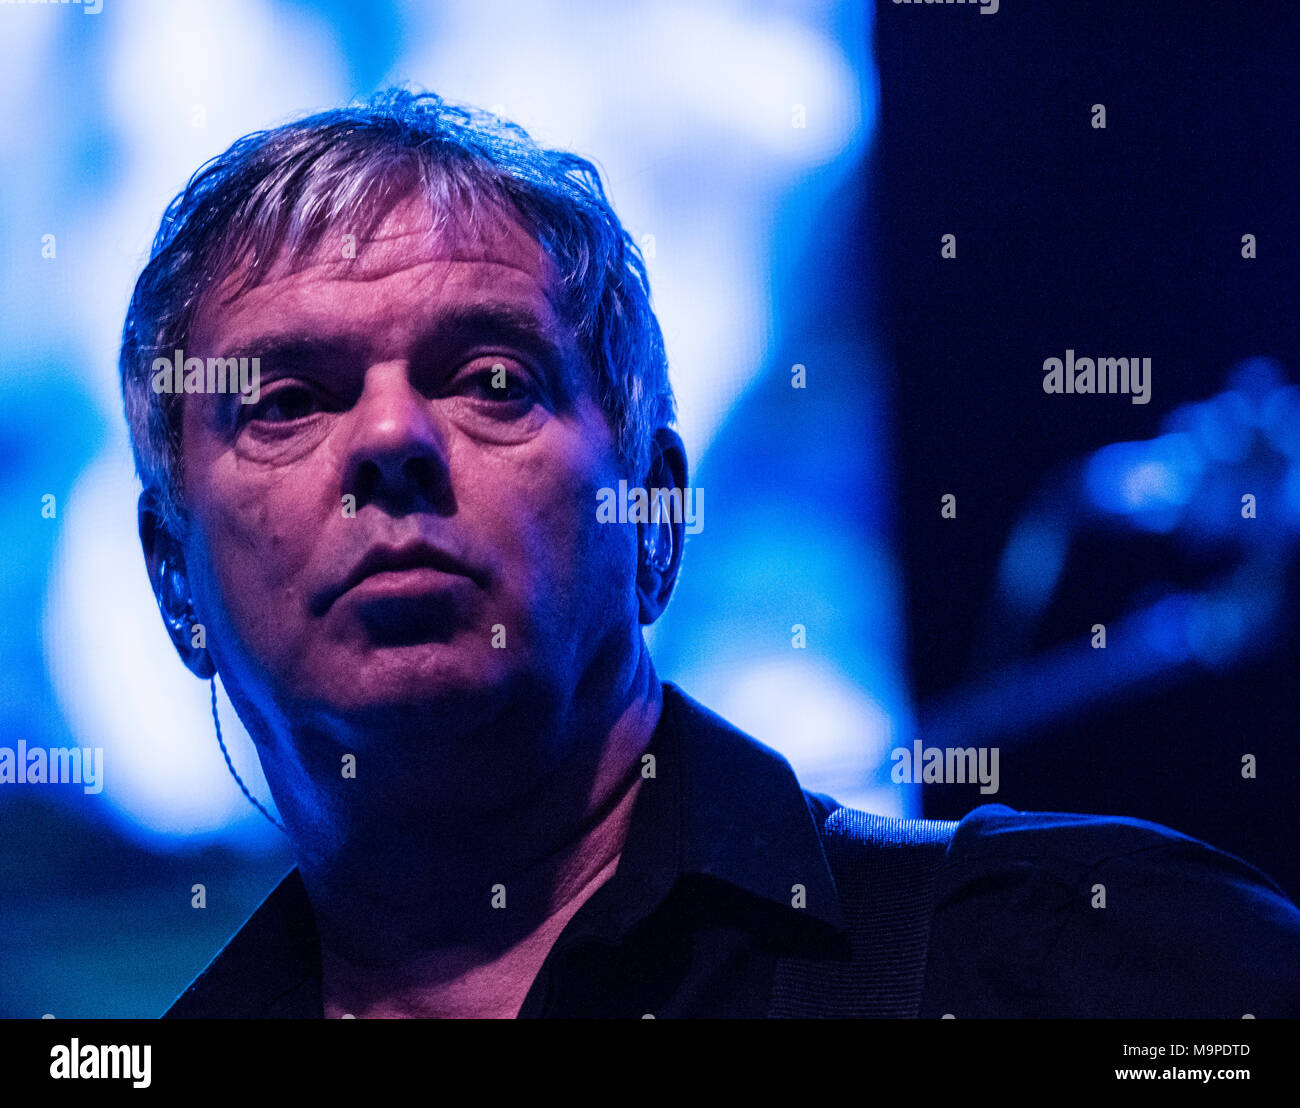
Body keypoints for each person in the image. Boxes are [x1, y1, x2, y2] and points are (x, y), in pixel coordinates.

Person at [119, 89, 1300, 1018]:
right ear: (177, 578)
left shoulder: (1077, 959)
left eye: (491, 380)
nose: (390, 439)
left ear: (655, 519)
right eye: (284, 401)